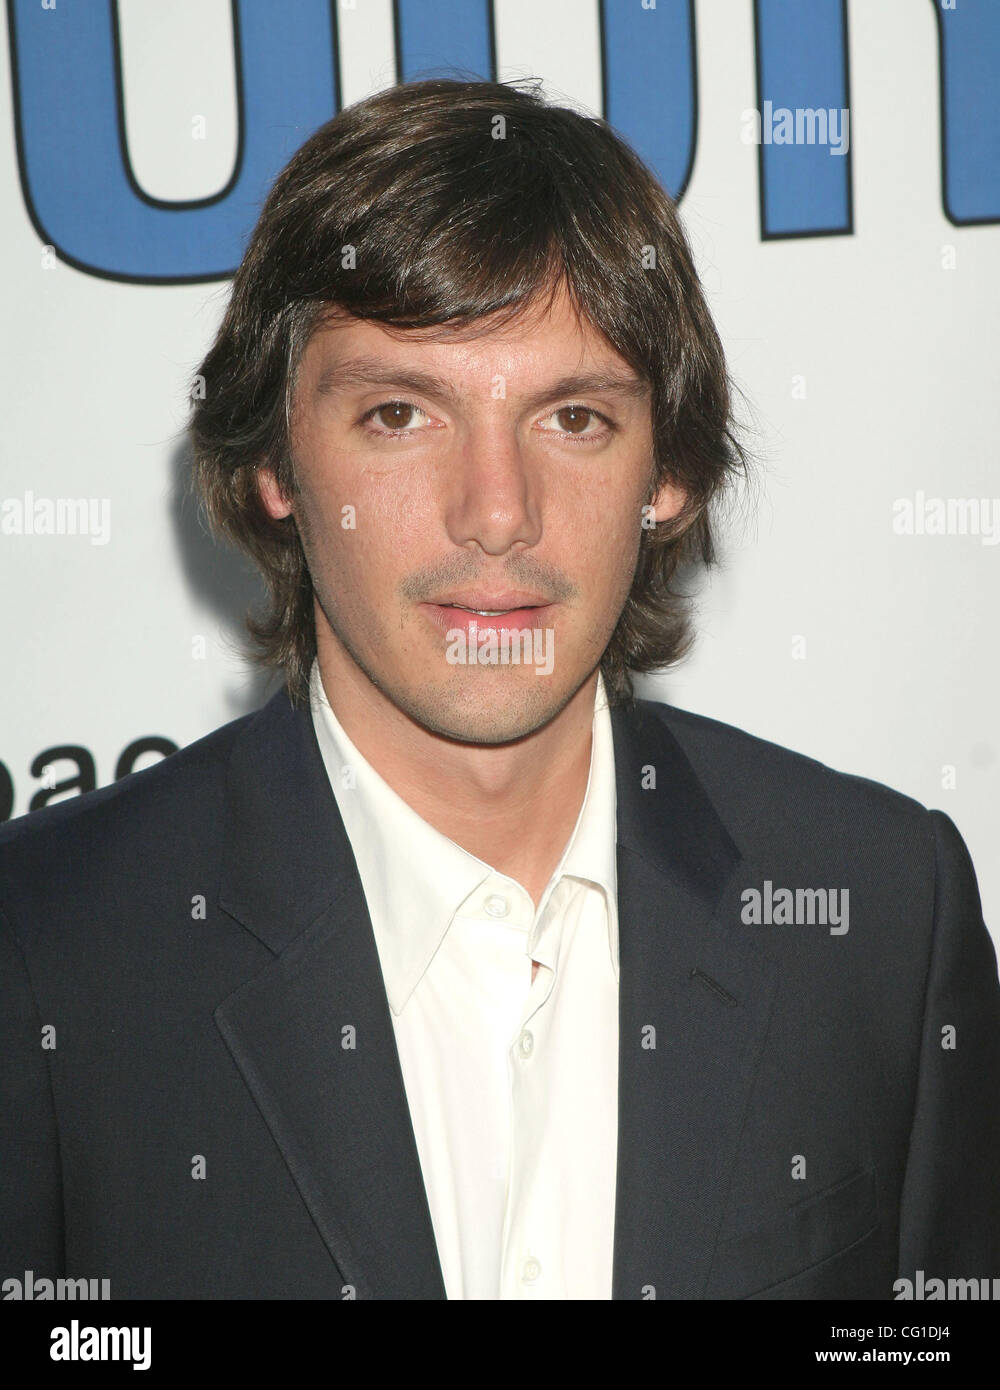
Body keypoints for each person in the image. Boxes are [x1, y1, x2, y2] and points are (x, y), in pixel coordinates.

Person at [1, 77, 998, 1302]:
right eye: (399, 413)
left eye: (572, 417)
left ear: (668, 471)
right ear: (271, 461)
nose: (496, 513)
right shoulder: (45, 948)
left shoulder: (880, 913)